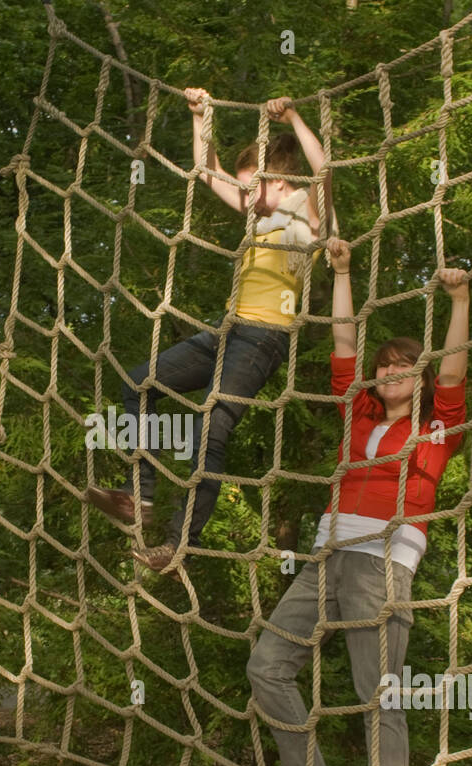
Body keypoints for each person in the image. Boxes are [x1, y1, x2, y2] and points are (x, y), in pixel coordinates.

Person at [246, 236, 471, 766]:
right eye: (385, 365)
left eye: (404, 365)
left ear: (419, 374)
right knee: (266, 665)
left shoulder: (436, 426)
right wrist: (340, 272)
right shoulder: (359, 412)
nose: (390, 372)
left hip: (382, 563)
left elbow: (452, 367)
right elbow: (344, 343)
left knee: (380, 693)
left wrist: (461, 298)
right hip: (326, 556)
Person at [86, 89, 334, 575]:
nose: (245, 199)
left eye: (252, 189)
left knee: (210, 431)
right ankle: (140, 496)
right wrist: (202, 116)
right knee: (138, 382)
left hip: (264, 337)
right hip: (226, 331)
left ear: (280, 183)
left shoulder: (306, 217)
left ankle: (178, 546)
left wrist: (298, 117)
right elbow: (207, 170)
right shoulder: (259, 217)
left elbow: (323, 170)